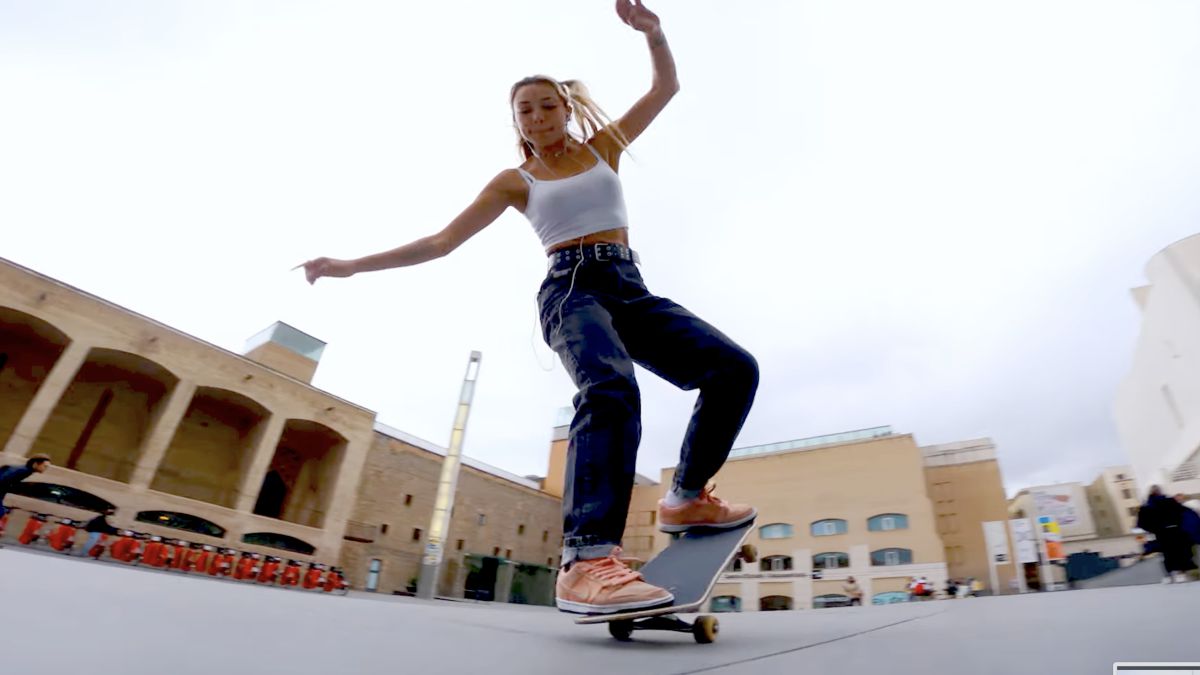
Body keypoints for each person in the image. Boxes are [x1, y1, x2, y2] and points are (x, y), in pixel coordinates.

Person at [296, 0, 758, 614]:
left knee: (733, 368)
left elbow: (665, 86)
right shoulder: (516, 180)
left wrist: (655, 34)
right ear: (515, 120)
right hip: (571, 292)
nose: (538, 116)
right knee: (610, 388)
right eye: (525, 109)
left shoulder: (604, 147)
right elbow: (441, 242)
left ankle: (686, 495)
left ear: (566, 110)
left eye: (548, 104)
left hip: (630, 286)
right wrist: (351, 264)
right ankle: (589, 559)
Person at [1137, 485, 1197, 583]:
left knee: (1166, 553)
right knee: (1179, 551)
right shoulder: (1169, 501)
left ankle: (1169, 574)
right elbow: (1183, 512)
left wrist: (1154, 529)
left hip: (1161, 533)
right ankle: (1180, 573)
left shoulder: (1148, 505)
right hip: (1175, 530)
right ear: (1160, 492)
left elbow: (1142, 522)